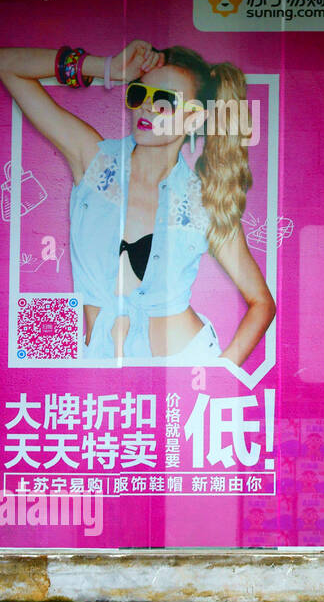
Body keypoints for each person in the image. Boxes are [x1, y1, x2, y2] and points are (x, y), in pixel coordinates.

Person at [0, 39, 275, 365]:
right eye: (138, 94)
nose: (146, 107)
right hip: (93, 361)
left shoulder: (204, 202)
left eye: (164, 101)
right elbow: (8, 65)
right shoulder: (94, 160)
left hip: (182, 366)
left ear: (193, 119)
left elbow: (262, 302)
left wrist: (219, 376)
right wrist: (106, 68)